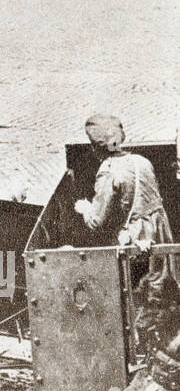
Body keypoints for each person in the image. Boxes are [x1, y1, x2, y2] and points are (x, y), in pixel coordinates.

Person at [75, 114, 174, 286]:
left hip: (135, 242)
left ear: (96, 146)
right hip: (160, 235)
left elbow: (96, 221)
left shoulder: (108, 171)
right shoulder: (142, 161)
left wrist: (85, 209)